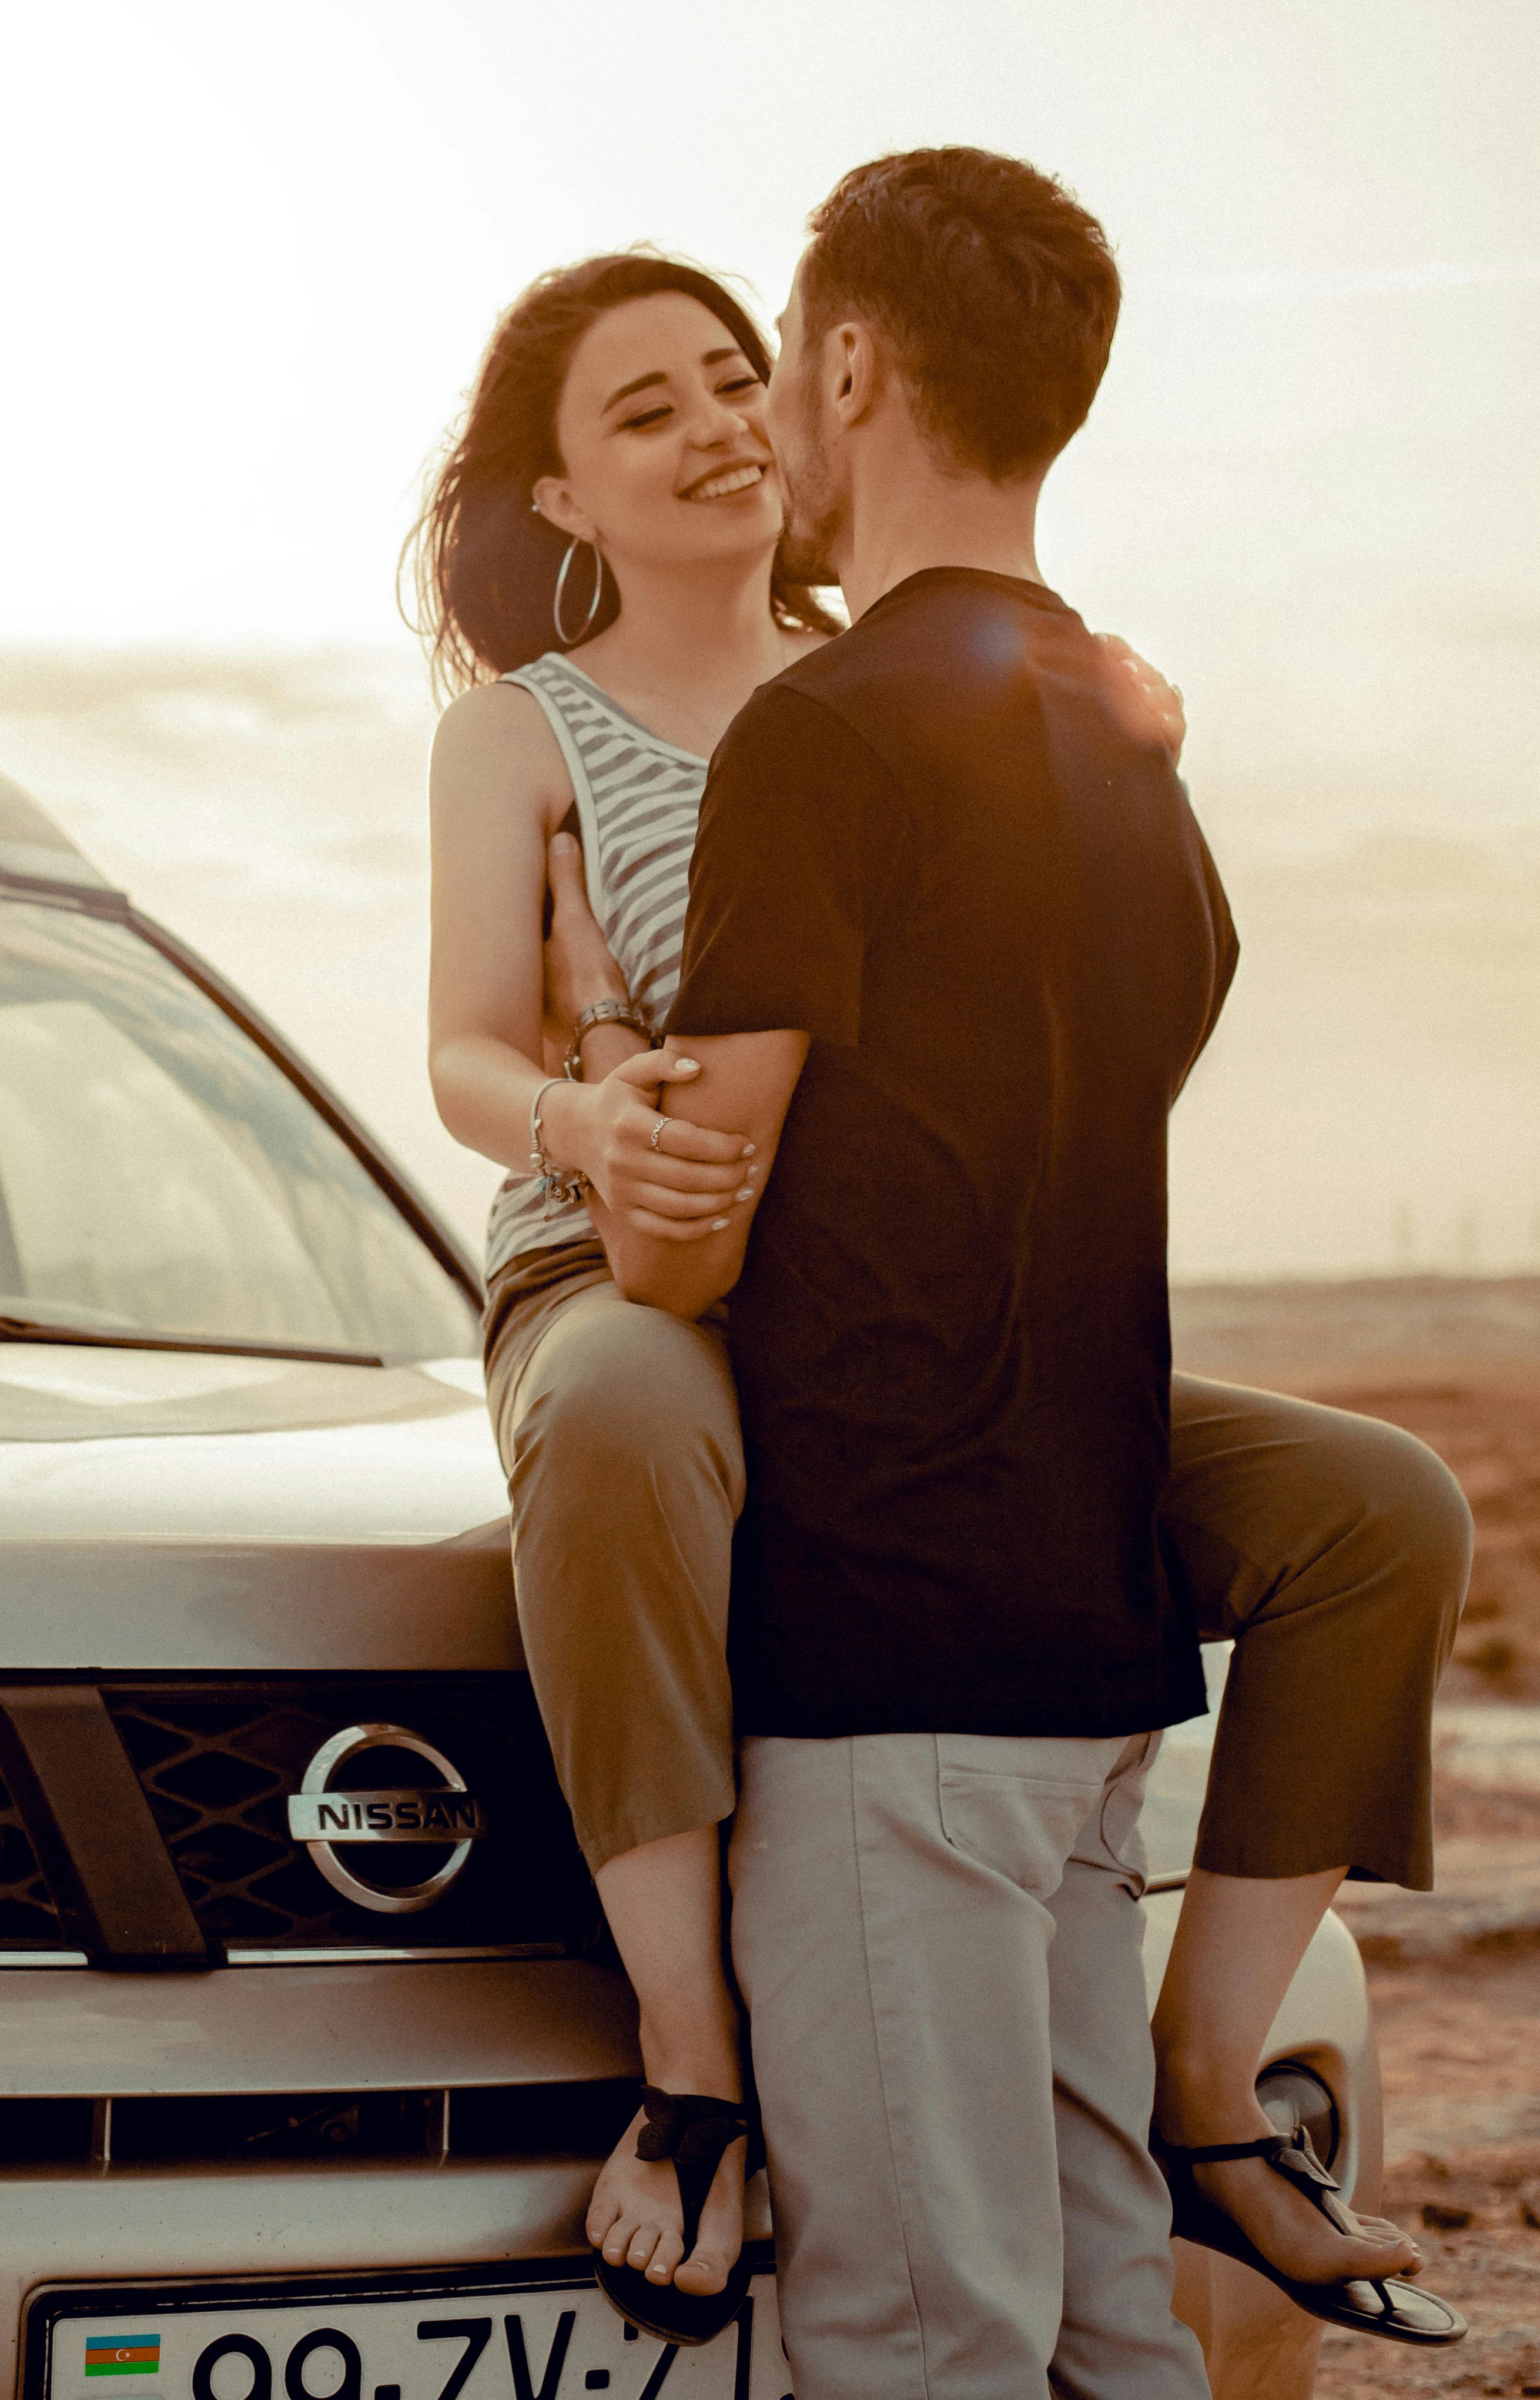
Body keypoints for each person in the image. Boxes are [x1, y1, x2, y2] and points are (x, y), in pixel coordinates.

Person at [419, 205, 1469, 2375]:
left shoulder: (897, 687)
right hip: (631, 1259)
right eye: (654, 404)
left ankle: (1209, 2083)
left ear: (823, 393)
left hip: (873, 1302)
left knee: (1373, 1504)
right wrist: (594, 1108)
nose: (721, 419)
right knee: (623, 1411)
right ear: (562, 496)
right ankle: (693, 2058)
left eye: (738, 372)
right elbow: (464, 1048)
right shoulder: (527, 726)